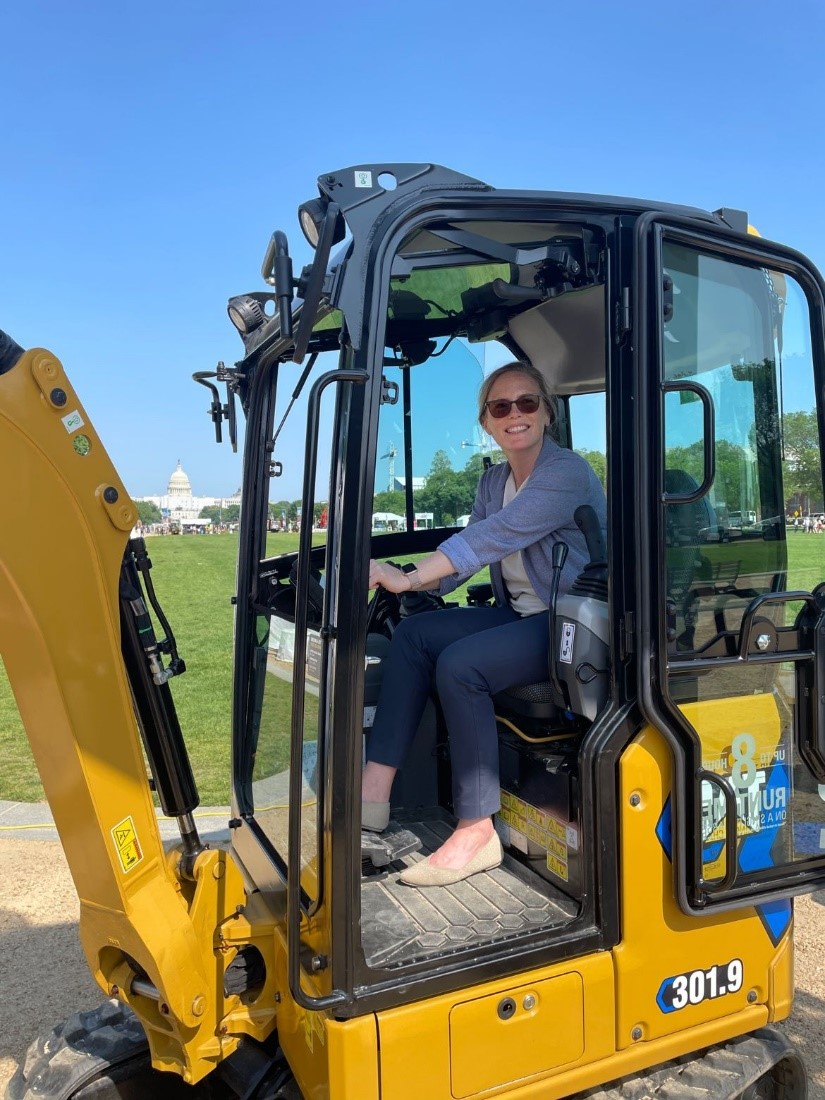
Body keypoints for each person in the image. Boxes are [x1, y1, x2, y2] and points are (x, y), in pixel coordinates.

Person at [361, 361, 607, 887]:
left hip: (569, 621)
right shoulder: (494, 479)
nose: (515, 414)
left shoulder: (565, 472)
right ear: (488, 423)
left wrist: (408, 579)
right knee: (414, 637)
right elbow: (469, 558)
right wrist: (407, 581)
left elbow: (493, 537)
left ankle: (477, 830)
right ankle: (372, 795)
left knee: (461, 665)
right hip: (516, 614)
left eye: (526, 403)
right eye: (501, 407)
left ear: (548, 411)